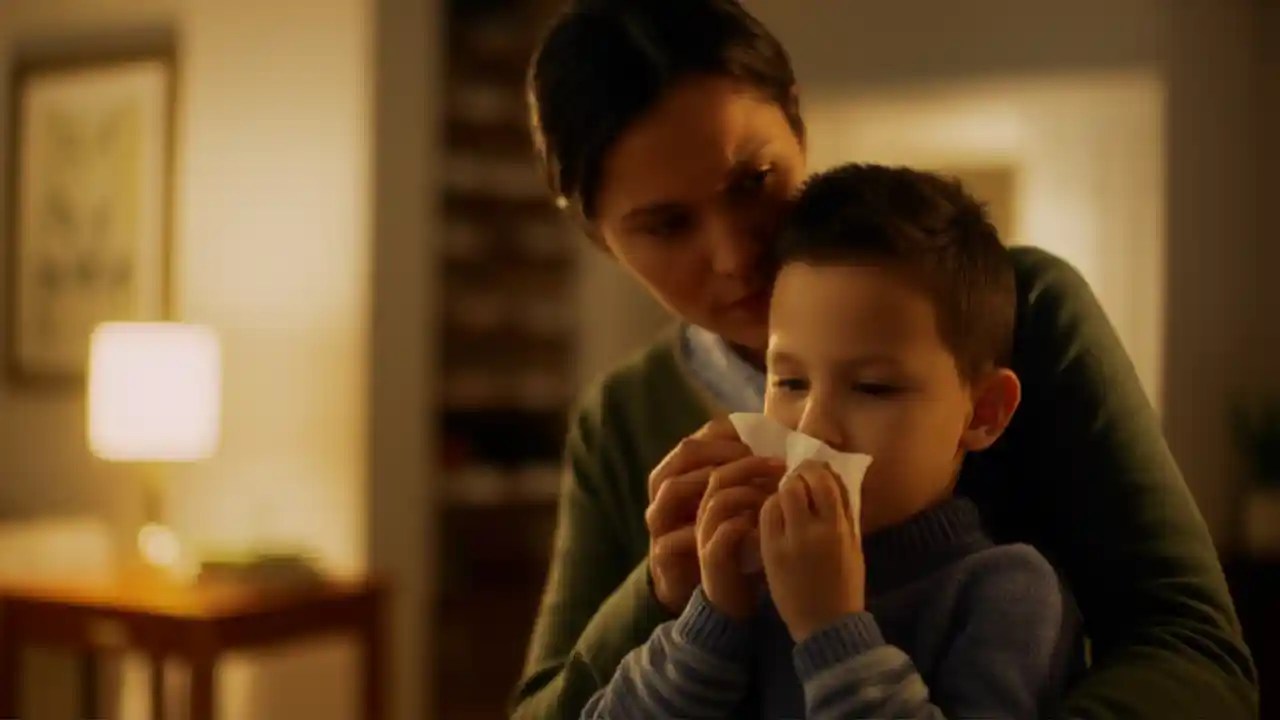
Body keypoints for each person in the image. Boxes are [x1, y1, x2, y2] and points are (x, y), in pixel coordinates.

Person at [513, 1, 1256, 718]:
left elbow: (1192, 654)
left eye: (753, 183)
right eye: (667, 225)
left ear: (796, 119)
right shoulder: (620, 421)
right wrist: (663, 590)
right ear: (600, 237)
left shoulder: (1025, 313)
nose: (739, 255)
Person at [582, 163, 1081, 719]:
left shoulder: (1003, 594)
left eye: (872, 388)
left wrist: (831, 629)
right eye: (790, 382)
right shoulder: (752, 570)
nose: (813, 427)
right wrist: (712, 617)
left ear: (984, 412)